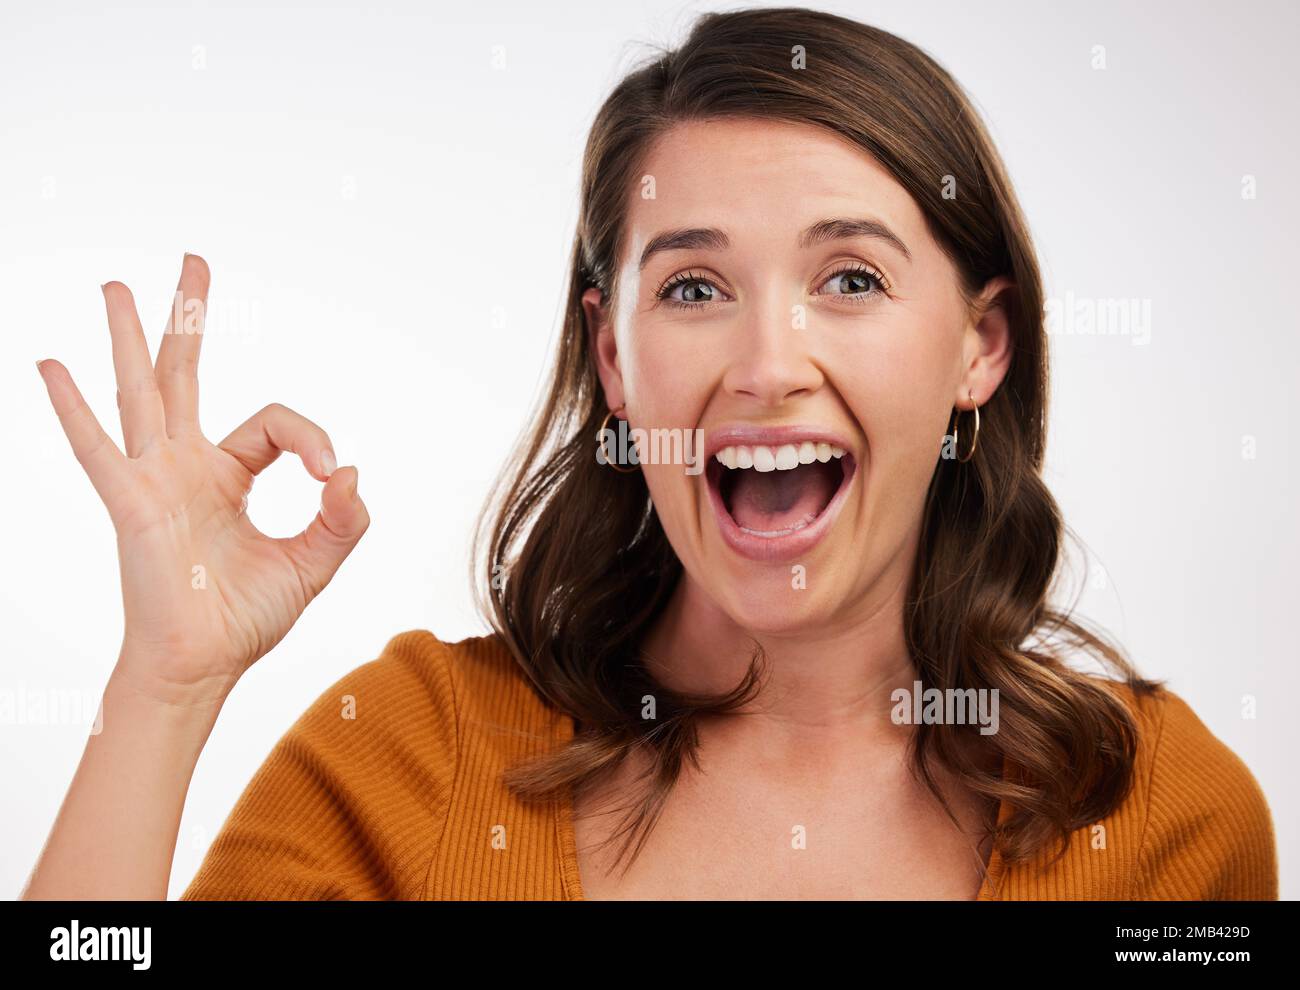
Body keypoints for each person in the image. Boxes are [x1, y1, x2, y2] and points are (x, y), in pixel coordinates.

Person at [22, 7, 1276, 900]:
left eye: (848, 277)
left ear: (979, 348)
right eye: (691, 288)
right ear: (613, 365)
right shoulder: (407, 759)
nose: (767, 362)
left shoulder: (1158, 811)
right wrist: (162, 688)